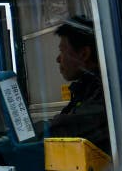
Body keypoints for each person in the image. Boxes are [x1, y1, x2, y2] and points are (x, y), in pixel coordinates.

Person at [46, 16, 110, 155]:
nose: (58, 59)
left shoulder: (106, 90)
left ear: (84, 54)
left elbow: (66, 128)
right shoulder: (86, 87)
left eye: (62, 50)